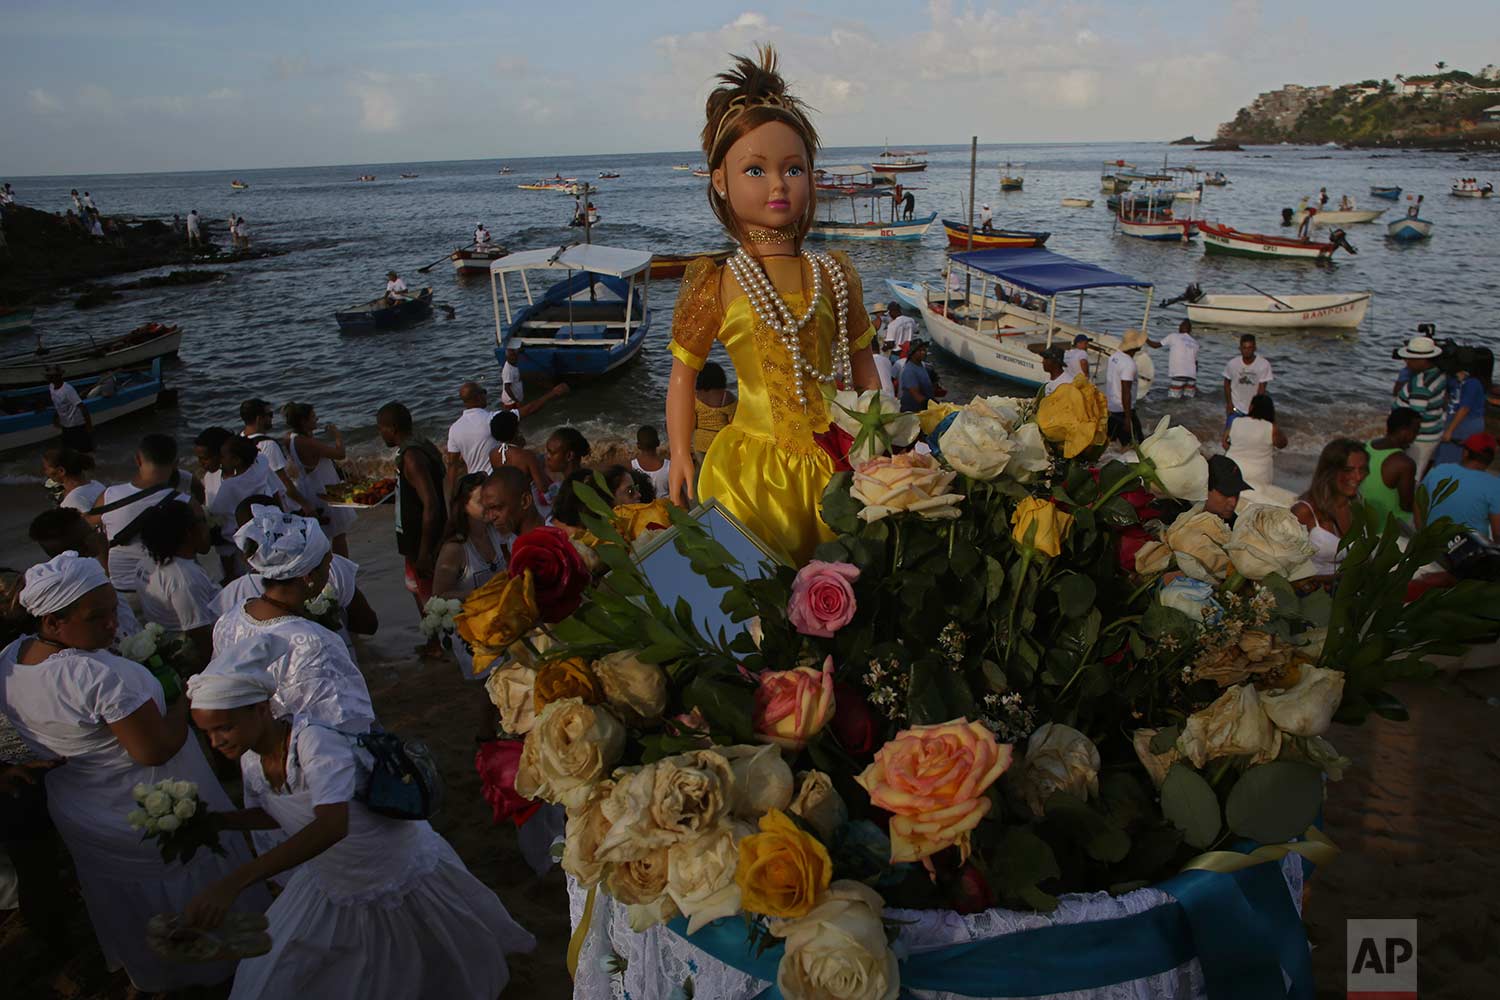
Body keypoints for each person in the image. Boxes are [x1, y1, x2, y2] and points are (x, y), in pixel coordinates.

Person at [182, 639, 534, 998]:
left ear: (260, 709)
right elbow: (284, 811)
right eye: (207, 733)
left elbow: (332, 825)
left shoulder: (315, 744)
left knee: (419, 961)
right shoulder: (251, 759)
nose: (215, 742)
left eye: (224, 728)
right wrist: (222, 822)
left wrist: (235, 881)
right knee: (274, 975)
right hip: (335, 877)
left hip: (389, 868)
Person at [0, 552, 268, 992]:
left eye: (113, 609)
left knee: (131, 900)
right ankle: (219, 973)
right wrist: (182, 700)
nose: (112, 624)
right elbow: (154, 750)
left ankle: (161, 972)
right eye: (96, 617)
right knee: (186, 883)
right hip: (150, 806)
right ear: (52, 621)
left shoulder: (12, 658)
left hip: (83, 809)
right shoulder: (98, 675)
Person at [663, 48, 881, 564]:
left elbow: (864, 366)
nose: (778, 184)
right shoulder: (716, 281)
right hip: (752, 472)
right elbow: (682, 377)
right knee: (760, 584)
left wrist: (878, 433)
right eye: (755, 170)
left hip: (836, 459)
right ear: (721, 180)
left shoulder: (834, 273)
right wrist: (679, 453)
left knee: (843, 581)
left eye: (793, 168)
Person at [212, 506, 375, 730]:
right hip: (307, 748)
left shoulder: (229, 621)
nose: (329, 573)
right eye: (327, 565)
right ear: (308, 576)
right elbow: (345, 723)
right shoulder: (315, 643)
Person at [210, 495, 377, 657]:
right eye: (327, 563)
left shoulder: (227, 618)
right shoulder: (317, 646)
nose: (329, 565)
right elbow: (367, 624)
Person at [89, 434, 195, 601]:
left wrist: (105, 565)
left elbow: (87, 530)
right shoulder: (186, 502)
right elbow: (203, 546)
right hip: (168, 588)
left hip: (123, 589)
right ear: (176, 463)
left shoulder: (109, 496)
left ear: (138, 460)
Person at [376, 403, 446, 629]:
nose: (380, 434)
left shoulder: (412, 457)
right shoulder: (418, 446)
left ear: (393, 428)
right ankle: (434, 638)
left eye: (381, 428)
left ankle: (437, 640)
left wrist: (424, 552)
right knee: (419, 591)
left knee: (429, 599)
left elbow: (431, 505)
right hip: (416, 539)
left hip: (421, 541)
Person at [27, 508, 141, 645]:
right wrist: (103, 553)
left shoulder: (60, 584)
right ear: (87, 543)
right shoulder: (92, 588)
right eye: (93, 531)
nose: (99, 533)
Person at [137, 500, 219, 667]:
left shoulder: (149, 560)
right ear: (188, 533)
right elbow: (201, 637)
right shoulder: (184, 578)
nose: (208, 527)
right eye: (202, 521)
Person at [282, 402, 356, 556]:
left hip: (308, 487)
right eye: (313, 417)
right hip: (324, 489)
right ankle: (342, 565)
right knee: (339, 534)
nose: (317, 419)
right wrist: (337, 435)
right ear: (304, 421)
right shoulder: (309, 443)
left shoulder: (290, 438)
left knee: (321, 534)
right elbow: (340, 454)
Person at [1292, 438, 1369, 581]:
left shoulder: (1357, 506)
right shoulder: (1304, 511)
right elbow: (1283, 569)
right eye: (1348, 470)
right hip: (1313, 591)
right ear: (1329, 472)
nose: (1358, 477)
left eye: (1362, 469)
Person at [432, 473, 509, 600]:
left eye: (490, 499)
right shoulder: (454, 549)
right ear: (463, 506)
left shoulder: (498, 531)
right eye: (481, 501)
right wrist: (481, 594)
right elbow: (439, 595)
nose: (489, 505)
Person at [1419, 433, 1500, 542]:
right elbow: (1498, 533)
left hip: (1430, 543)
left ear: (1466, 453)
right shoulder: (1495, 485)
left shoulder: (1439, 470)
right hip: (1469, 549)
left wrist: (1422, 536)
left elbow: (1418, 504)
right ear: (1491, 458)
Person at [240, 398, 315, 516]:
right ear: (259, 419)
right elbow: (284, 482)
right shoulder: (268, 445)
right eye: (269, 414)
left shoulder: (239, 442)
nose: (272, 418)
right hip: (284, 507)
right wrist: (305, 505)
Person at [1391, 334, 1449, 478]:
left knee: (1412, 474)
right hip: (1433, 430)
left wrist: (1402, 440)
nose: (1406, 361)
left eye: (1411, 359)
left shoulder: (1421, 384)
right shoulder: (1439, 373)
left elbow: (1414, 417)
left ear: (1423, 360)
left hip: (1420, 439)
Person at [1362, 408, 1421, 527]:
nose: (1416, 437)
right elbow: (1406, 505)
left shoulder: (1366, 446)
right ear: (1404, 431)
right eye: (1415, 431)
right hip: (1391, 527)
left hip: (1365, 519)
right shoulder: (1404, 463)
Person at [1223, 394, 1288, 491]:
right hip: (1259, 475)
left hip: (1233, 470)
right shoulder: (1271, 428)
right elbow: (1282, 444)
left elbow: (1224, 443)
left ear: (1251, 407)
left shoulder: (1236, 421)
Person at [444, 382, 499, 492]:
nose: (486, 395)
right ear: (478, 397)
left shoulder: (454, 428)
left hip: (475, 485)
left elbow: (452, 465)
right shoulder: (493, 418)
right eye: (484, 392)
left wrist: (450, 496)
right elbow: (526, 411)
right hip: (496, 481)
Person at [486, 410, 551, 502]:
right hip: (529, 499)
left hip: (509, 499)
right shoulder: (527, 456)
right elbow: (542, 487)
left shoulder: (493, 454)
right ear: (516, 430)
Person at [1435, 364, 1487, 467]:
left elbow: (1464, 408)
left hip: (1466, 423)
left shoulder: (1472, 383)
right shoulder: (1454, 381)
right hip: (1454, 420)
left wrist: (1450, 430)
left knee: (1450, 459)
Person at [691, 361, 739, 468]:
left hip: (700, 442)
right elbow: (734, 423)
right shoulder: (727, 396)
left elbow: (692, 424)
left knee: (704, 470)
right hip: (720, 441)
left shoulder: (695, 396)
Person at [1106, 329, 1148, 446]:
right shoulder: (1129, 364)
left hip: (1112, 408)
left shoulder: (1114, 356)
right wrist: (1128, 419)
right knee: (1139, 446)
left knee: (1111, 444)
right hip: (1123, 411)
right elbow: (1126, 391)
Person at [1222, 333, 1273, 427]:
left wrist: (1255, 407)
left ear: (1255, 348)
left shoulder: (1263, 364)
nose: (1247, 351)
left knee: (1250, 434)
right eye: (1244, 348)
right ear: (1240, 349)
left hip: (1253, 409)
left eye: (1250, 348)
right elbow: (1226, 384)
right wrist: (1229, 403)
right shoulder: (1232, 364)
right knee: (1230, 433)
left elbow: (1262, 389)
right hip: (1235, 407)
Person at [481, 467, 544, 539]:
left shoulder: (548, 539)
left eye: (497, 507)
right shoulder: (515, 540)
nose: (491, 517)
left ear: (525, 501)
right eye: (488, 510)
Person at [46, 366, 94, 453]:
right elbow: (57, 404)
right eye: (49, 376)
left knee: (85, 450)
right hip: (66, 424)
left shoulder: (68, 390)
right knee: (68, 449)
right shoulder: (51, 387)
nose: (49, 378)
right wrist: (56, 417)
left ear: (59, 377)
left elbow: (82, 407)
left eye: (52, 376)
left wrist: (89, 426)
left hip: (76, 424)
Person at [42, 447, 105, 513]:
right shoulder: (96, 484)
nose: (45, 472)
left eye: (46, 469)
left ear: (61, 471)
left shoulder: (71, 501)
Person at [542, 427, 591, 507]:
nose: (547, 457)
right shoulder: (589, 476)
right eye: (547, 452)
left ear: (569, 456)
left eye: (552, 453)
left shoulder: (570, 490)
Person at [1155, 319, 1199, 399]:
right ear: (1190, 330)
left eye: (1180, 325)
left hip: (1179, 374)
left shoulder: (1173, 336)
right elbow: (1196, 363)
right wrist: (1193, 377)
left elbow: (1155, 346)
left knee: (1174, 400)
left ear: (1181, 327)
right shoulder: (1195, 342)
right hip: (1192, 376)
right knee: (1188, 400)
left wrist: (1145, 339)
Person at [1204, 455, 1250, 524]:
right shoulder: (1186, 516)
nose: (1233, 503)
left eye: (1236, 494)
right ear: (1205, 489)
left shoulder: (1236, 525)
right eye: (1226, 494)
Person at [632, 426, 672, 500]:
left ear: (638, 445)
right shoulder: (669, 466)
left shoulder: (632, 466)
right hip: (665, 506)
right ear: (658, 443)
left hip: (641, 506)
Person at [899, 340, 934, 413]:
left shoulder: (921, 366)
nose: (924, 352)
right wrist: (933, 405)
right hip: (913, 411)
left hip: (922, 409)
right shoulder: (909, 370)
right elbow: (916, 395)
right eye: (920, 350)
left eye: (924, 350)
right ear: (912, 353)